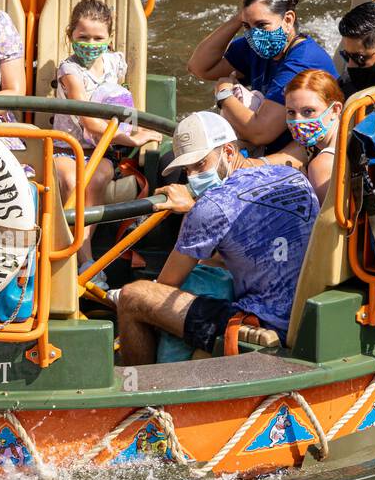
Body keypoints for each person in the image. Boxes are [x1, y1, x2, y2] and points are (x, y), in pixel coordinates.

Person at [116, 111, 318, 365]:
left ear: (229, 152)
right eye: (187, 169)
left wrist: (195, 211)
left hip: (265, 322)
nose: (192, 177)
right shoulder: (293, 176)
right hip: (307, 312)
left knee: (134, 297)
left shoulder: (211, 207)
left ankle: (142, 392)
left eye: (200, 164)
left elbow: (166, 285)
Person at [50, 0, 156, 267]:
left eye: (98, 37)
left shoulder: (115, 63)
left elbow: (119, 102)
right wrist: (133, 138)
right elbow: (89, 122)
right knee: (74, 183)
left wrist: (129, 129)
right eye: (83, 37)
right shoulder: (69, 71)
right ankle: (80, 258)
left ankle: (81, 253)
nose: (90, 43)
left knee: (96, 179)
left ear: (109, 38)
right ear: (70, 35)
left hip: (101, 150)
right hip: (68, 146)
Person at [186, 0, 337, 160]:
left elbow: (260, 133)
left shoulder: (302, 62)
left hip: (303, 157)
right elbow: (199, 67)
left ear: (288, 20)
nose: (254, 35)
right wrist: (238, 18)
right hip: (267, 149)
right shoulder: (259, 46)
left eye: (262, 24)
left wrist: (224, 95)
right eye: (247, 26)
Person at [271, 69, 345, 203]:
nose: (298, 121)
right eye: (291, 112)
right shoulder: (352, 134)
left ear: (335, 110)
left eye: (308, 111)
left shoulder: (321, 166)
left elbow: (326, 223)